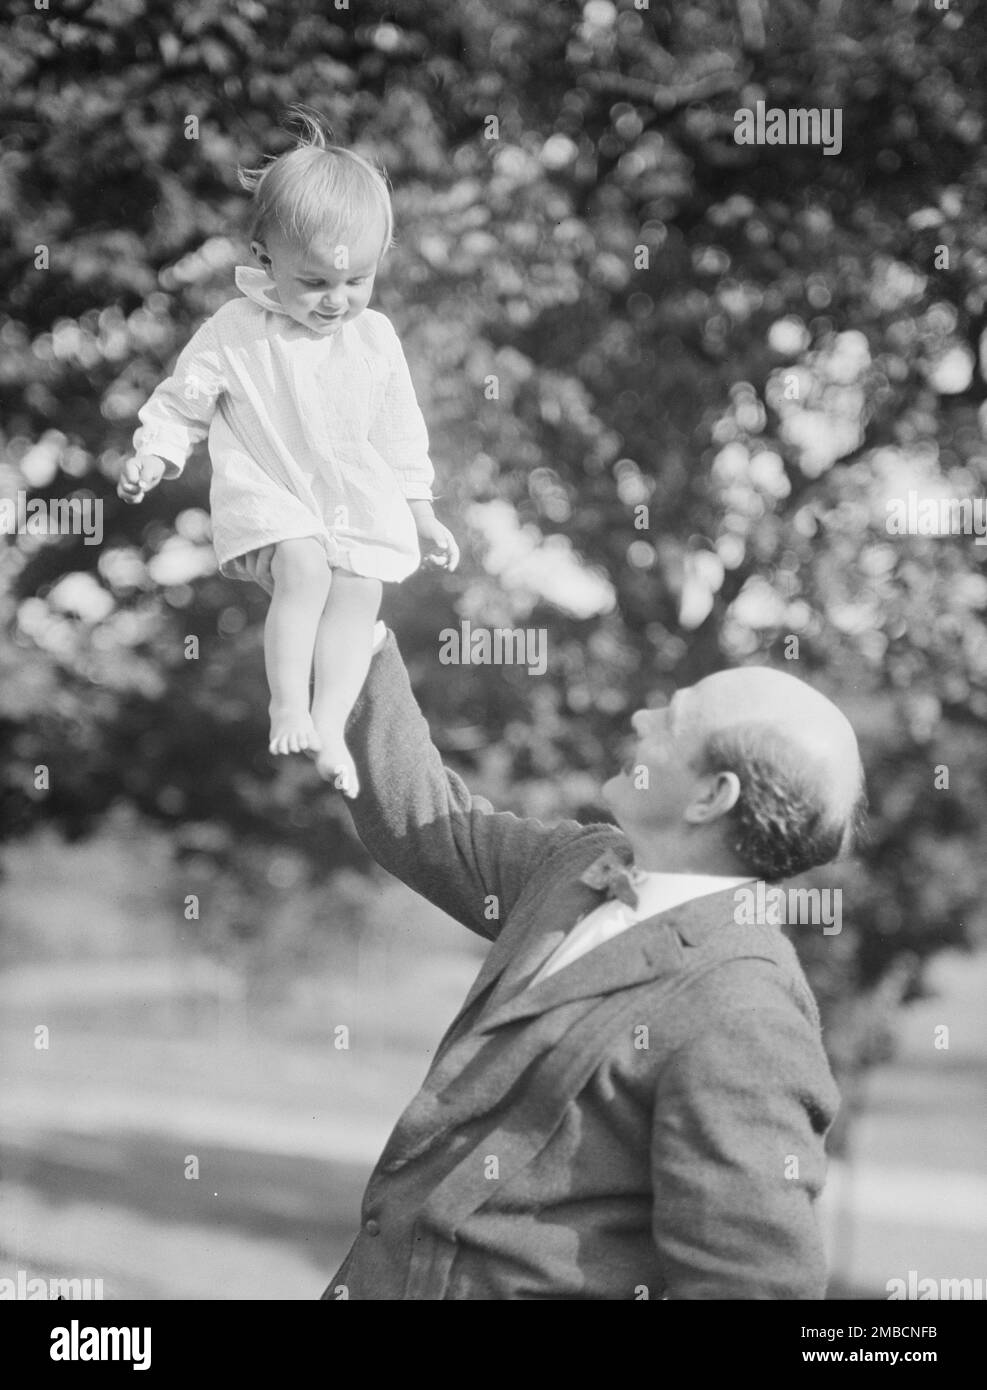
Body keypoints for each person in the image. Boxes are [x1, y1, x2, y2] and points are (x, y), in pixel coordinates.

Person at [269, 616, 860, 1300]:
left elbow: (749, 1287)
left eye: (673, 721)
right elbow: (430, 825)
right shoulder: (577, 864)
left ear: (711, 796)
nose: (641, 715)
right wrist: (342, 624)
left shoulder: (744, 1012)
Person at [117, 114, 458, 796]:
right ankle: (288, 704)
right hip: (270, 494)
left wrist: (421, 512)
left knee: (361, 589)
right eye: (315, 283)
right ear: (264, 256)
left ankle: (329, 727)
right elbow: (182, 400)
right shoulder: (233, 331)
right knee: (303, 567)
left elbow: (398, 430)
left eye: (356, 281)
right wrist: (154, 454)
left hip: (354, 495)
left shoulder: (375, 338)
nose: (337, 301)